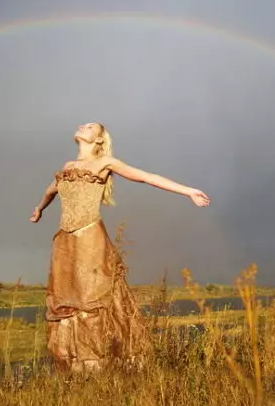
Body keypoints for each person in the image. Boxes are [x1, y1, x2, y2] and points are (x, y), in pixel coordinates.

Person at [29, 122, 210, 373]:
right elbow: (52, 190)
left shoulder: (106, 163)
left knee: (92, 298)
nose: (83, 126)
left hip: (89, 236)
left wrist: (188, 191)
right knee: (67, 299)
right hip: (65, 241)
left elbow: (147, 177)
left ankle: (101, 360)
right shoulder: (68, 167)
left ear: (99, 139)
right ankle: (77, 364)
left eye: (90, 126)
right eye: (83, 124)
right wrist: (39, 208)